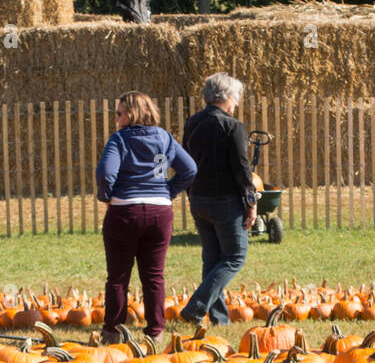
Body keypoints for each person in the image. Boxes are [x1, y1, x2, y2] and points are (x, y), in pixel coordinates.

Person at [95, 91, 196, 342]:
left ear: (131, 114)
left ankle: (113, 331)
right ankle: (155, 332)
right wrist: (167, 190)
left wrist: (107, 196)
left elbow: (106, 173)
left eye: (118, 114)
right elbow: (190, 169)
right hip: (159, 212)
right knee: (153, 275)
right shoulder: (165, 138)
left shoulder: (119, 140)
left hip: (124, 211)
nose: (116, 119)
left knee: (118, 277)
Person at [178, 73, 258, 327]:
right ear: (227, 97)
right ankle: (196, 307)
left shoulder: (193, 122)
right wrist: (252, 203)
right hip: (226, 202)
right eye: (235, 97)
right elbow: (242, 170)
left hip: (199, 198)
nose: (236, 103)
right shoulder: (233, 126)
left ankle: (220, 319)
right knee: (235, 257)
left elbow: (185, 161)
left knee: (212, 259)